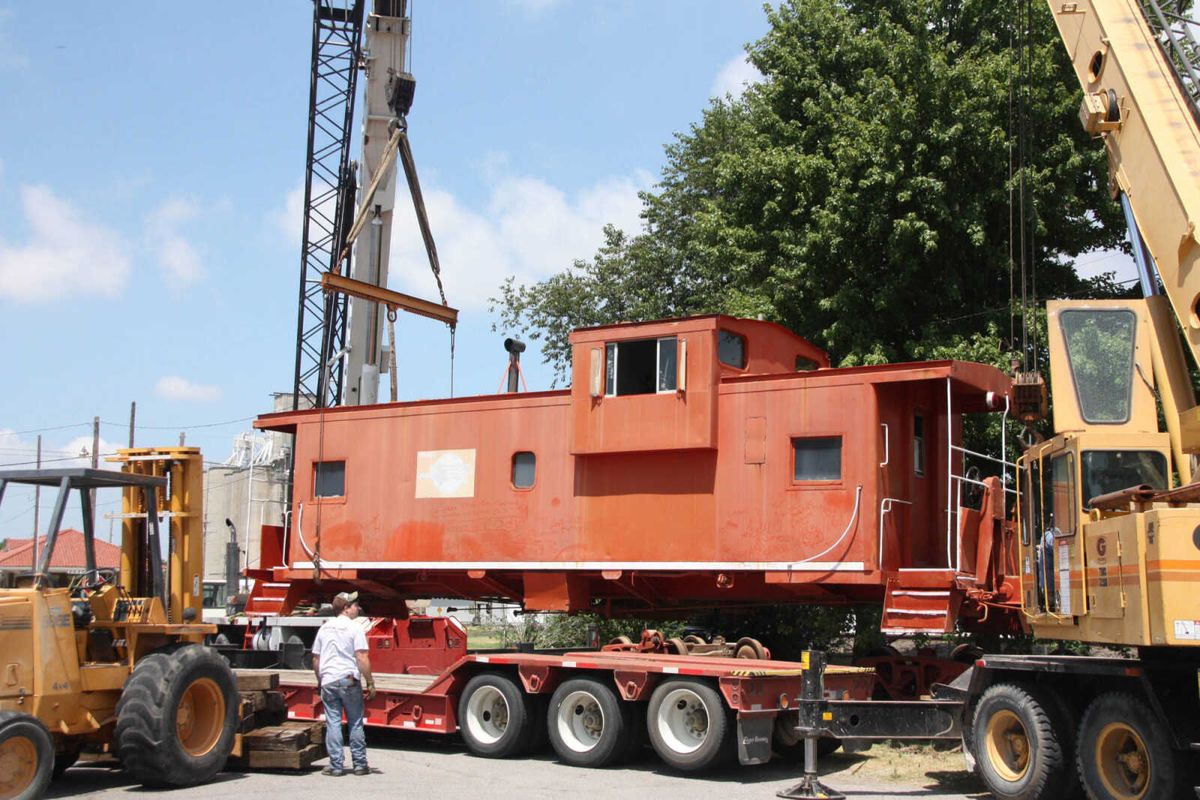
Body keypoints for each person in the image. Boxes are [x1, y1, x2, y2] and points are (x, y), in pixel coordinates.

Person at [311, 591, 375, 776]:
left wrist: (320, 680)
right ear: (346, 609)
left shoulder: (325, 628)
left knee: (333, 722)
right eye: (355, 605)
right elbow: (362, 657)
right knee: (355, 722)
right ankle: (360, 765)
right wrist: (370, 682)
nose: (358, 607)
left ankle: (336, 766)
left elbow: (316, 658)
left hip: (329, 680)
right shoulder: (354, 628)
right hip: (348, 679)